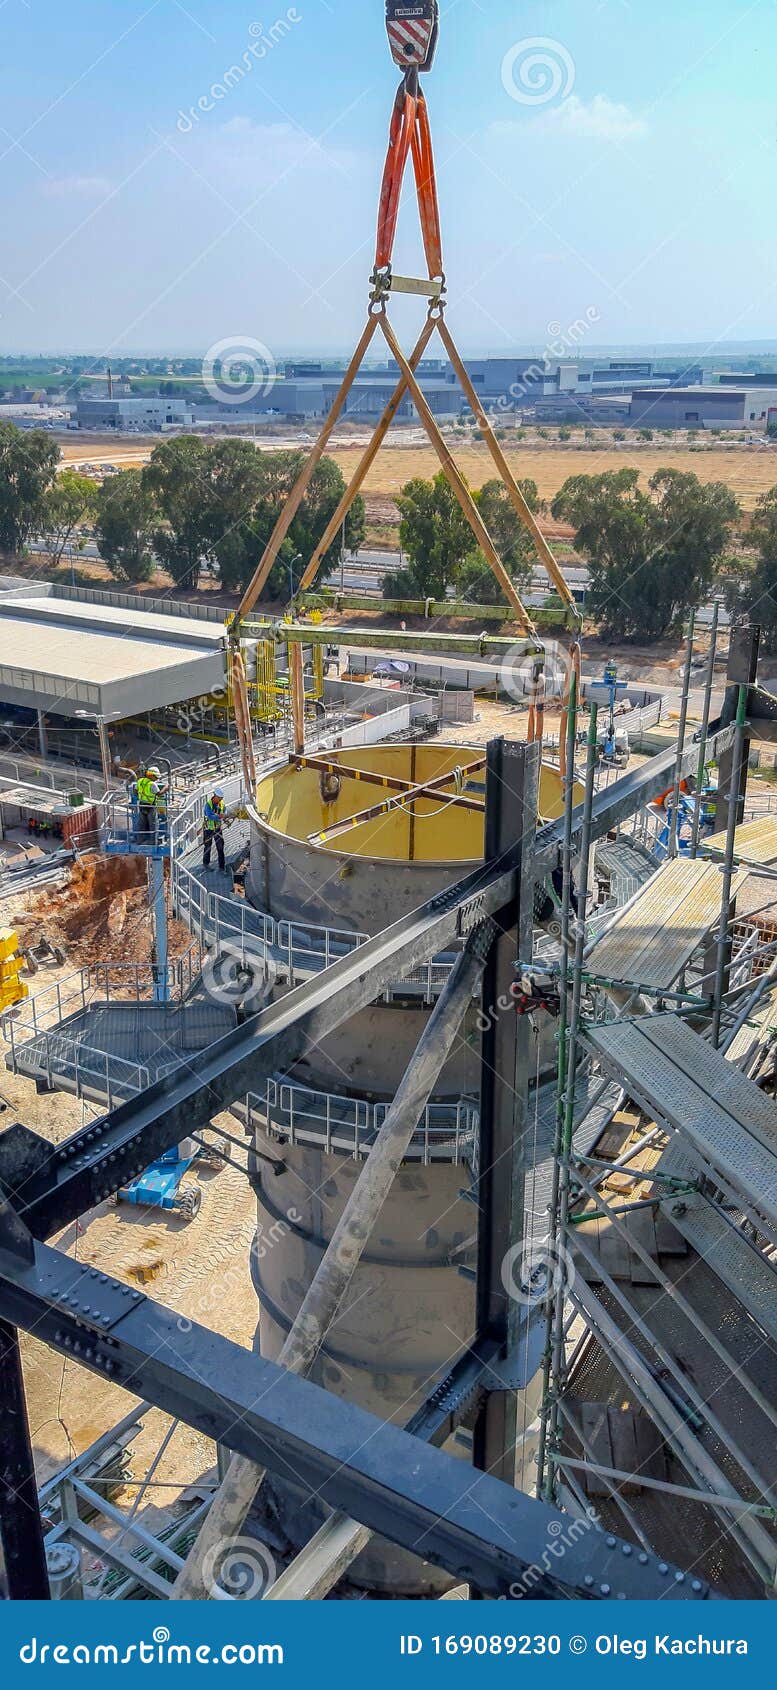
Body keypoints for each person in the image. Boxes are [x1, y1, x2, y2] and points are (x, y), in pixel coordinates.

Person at [203, 788, 227, 871]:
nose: (220, 800)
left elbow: (225, 810)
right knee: (207, 847)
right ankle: (206, 864)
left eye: (221, 798)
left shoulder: (221, 803)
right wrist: (219, 816)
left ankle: (222, 867)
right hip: (208, 829)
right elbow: (210, 816)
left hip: (217, 829)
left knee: (220, 847)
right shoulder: (208, 805)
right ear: (215, 796)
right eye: (219, 798)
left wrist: (224, 815)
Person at [137, 766, 164, 838]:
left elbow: (135, 791)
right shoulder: (152, 784)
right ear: (151, 775)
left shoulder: (140, 781)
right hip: (150, 806)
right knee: (153, 824)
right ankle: (153, 840)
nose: (157, 779)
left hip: (141, 805)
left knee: (142, 824)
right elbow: (159, 794)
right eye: (156, 777)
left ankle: (140, 839)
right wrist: (166, 788)